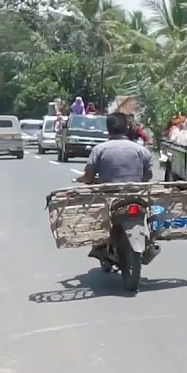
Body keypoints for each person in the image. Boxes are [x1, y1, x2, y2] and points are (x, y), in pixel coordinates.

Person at [77, 112, 154, 263]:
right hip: (136, 197)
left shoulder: (99, 149)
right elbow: (148, 175)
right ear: (127, 128)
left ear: (108, 130)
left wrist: (85, 179)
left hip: (110, 198)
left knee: (97, 216)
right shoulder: (142, 150)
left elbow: (88, 176)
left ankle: (99, 245)